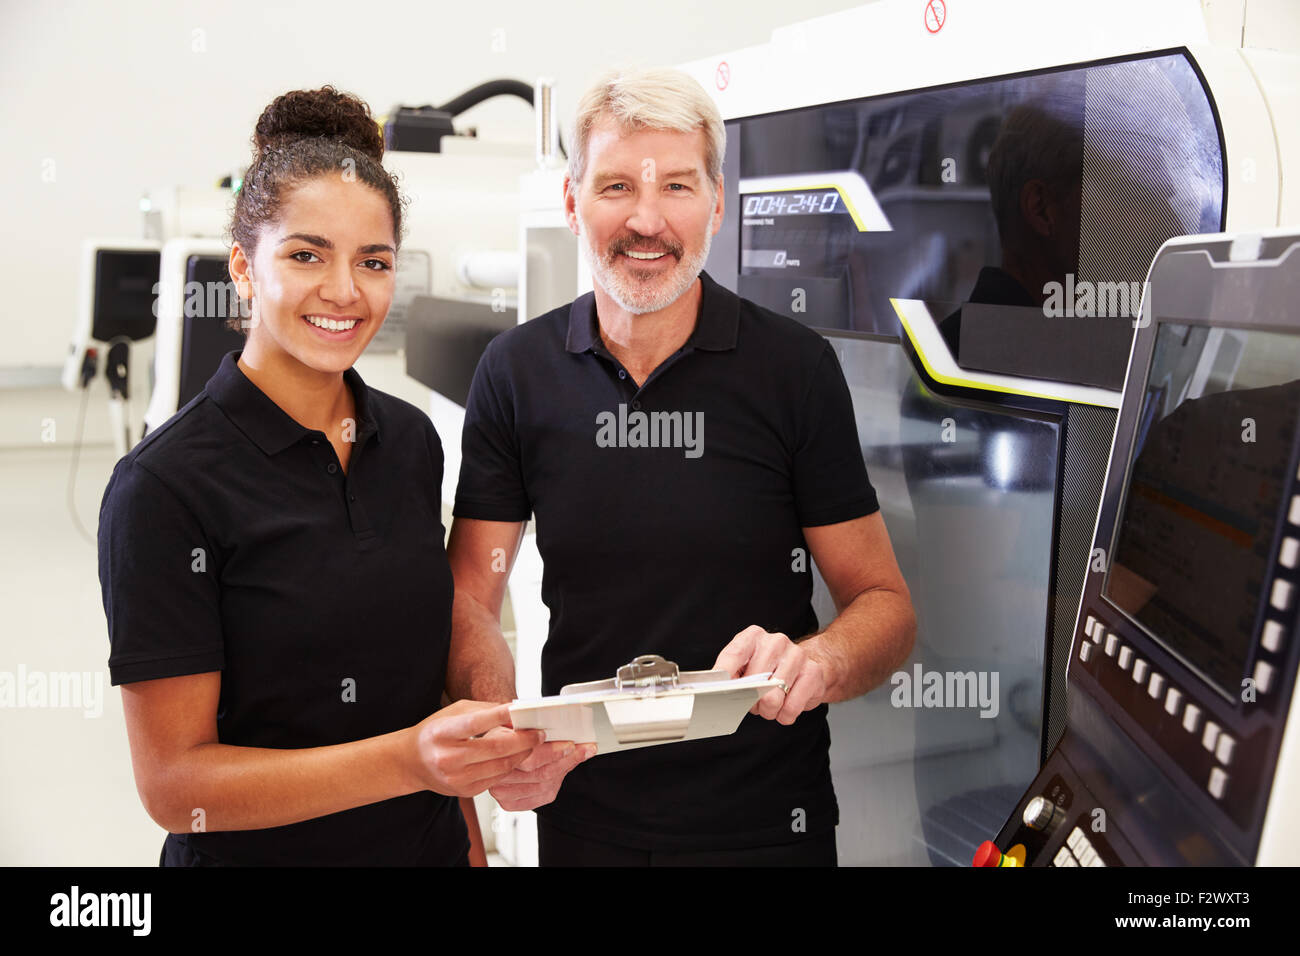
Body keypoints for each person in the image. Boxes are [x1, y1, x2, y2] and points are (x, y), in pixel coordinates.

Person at [447, 68, 917, 865]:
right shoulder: (515, 372)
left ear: (718, 201)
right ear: (571, 203)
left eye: (677, 185)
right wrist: (502, 732)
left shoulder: (793, 369)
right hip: (584, 812)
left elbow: (885, 605)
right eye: (617, 185)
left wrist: (821, 660)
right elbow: (467, 596)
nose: (647, 218)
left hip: (767, 821)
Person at [97, 86, 549, 866]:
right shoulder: (165, 489)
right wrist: (408, 760)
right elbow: (176, 786)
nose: (344, 291)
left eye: (372, 262)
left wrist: (471, 837)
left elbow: (425, 670)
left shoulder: (407, 442)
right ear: (242, 267)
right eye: (306, 255)